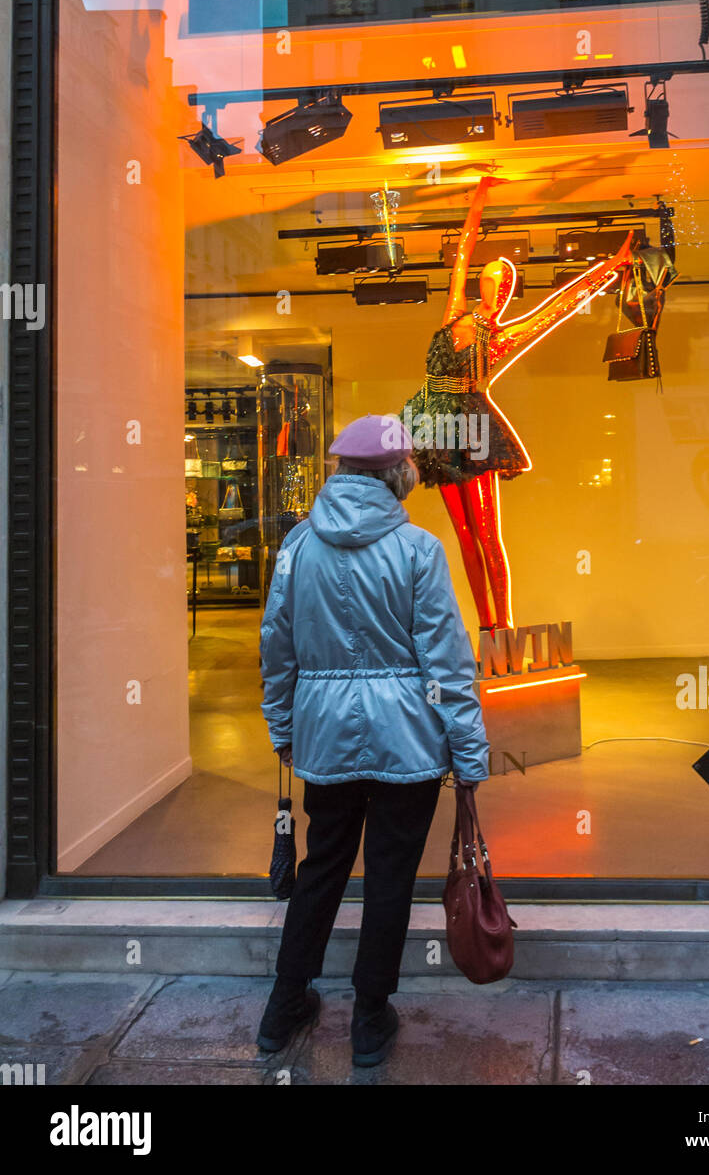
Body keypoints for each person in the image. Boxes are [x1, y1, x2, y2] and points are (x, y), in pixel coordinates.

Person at [257, 413, 490, 1067]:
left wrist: (283, 727)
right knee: (390, 877)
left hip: (325, 740)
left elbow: (276, 650)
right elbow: (447, 666)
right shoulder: (418, 549)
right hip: (407, 746)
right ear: (399, 474)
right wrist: (469, 754)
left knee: (321, 869)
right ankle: (368, 1018)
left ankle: (282, 1007)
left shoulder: (299, 546)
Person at [402, 173, 641, 631]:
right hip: (434, 422)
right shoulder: (454, 312)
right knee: (465, 537)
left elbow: (562, 304)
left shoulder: (503, 336)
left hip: (471, 427)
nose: (497, 286)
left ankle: (504, 626)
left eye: (505, 283)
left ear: (509, 295)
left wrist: (611, 267)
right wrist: (479, 198)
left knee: (489, 535)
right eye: (492, 278)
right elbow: (463, 253)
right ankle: (487, 627)